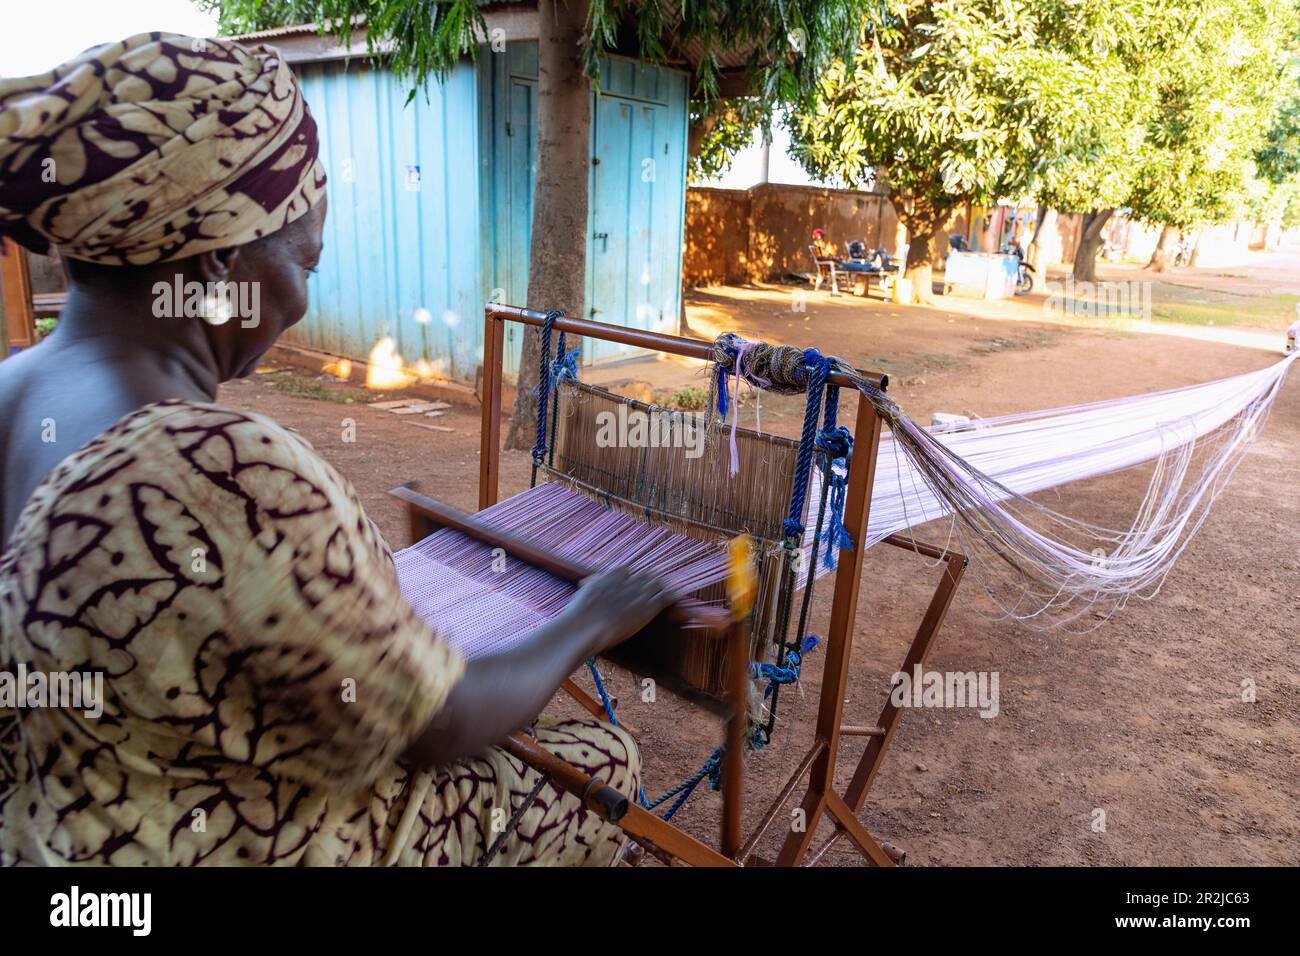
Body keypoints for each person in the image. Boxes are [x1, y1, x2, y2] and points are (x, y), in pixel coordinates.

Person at [0, 33, 671, 866]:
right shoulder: (210, 468)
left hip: (61, 821)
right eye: (302, 261)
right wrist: (589, 619)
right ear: (219, 260)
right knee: (599, 764)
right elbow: (438, 726)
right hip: (206, 839)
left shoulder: (12, 392)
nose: (300, 302)